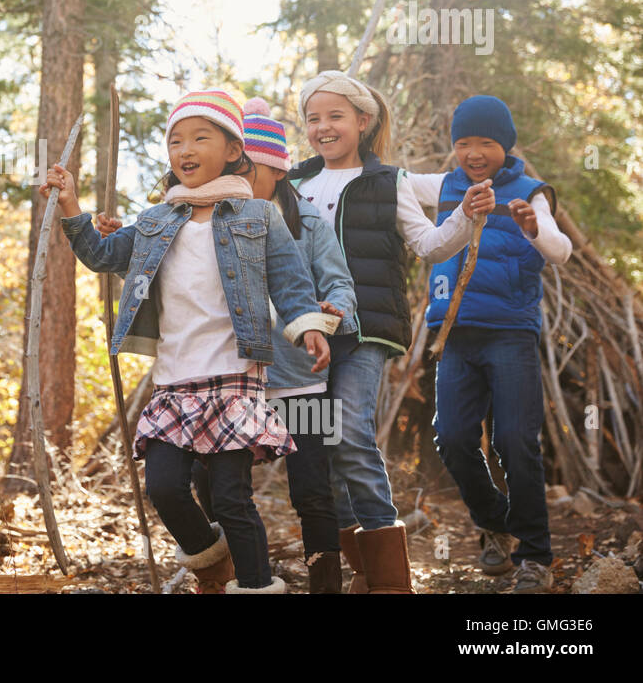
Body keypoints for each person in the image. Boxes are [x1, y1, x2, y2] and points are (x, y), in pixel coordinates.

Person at [42, 88, 337, 593]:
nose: (185, 149)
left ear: (231, 150)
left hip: (232, 379)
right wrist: (72, 206)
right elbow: (103, 256)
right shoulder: (156, 221)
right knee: (164, 488)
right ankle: (211, 565)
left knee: (231, 498)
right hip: (175, 382)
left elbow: (291, 282)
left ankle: (256, 584)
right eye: (175, 140)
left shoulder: (258, 217)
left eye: (200, 137)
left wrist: (309, 325)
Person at [289, 70, 495, 593]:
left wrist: (466, 218)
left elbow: (428, 245)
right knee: (319, 442)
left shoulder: (390, 182)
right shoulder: (293, 184)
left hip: (365, 328)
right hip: (304, 331)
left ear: (363, 121)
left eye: (336, 116)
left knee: (351, 432)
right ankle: (356, 569)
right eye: (314, 118)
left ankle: (389, 579)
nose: (323, 127)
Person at [188, 97, 358, 593]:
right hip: (236, 382)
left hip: (303, 381)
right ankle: (236, 576)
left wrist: (333, 310)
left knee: (313, 490)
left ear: (278, 172)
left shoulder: (310, 225)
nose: (240, 177)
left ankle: (325, 584)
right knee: (214, 484)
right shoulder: (209, 221)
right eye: (236, 167)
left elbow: (340, 284)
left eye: (251, 169)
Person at [408, 95, 571, 593]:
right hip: (455, 334)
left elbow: (559, 251)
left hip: (511, 334)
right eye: (463, 142)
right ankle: (496, 524)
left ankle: (535, 556)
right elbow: (381, 179)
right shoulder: (443, 186)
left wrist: (532, 229)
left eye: (486, 142)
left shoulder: (529, 190)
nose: (474, 152)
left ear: (506, 144)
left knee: (515, 442)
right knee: (453, 437)